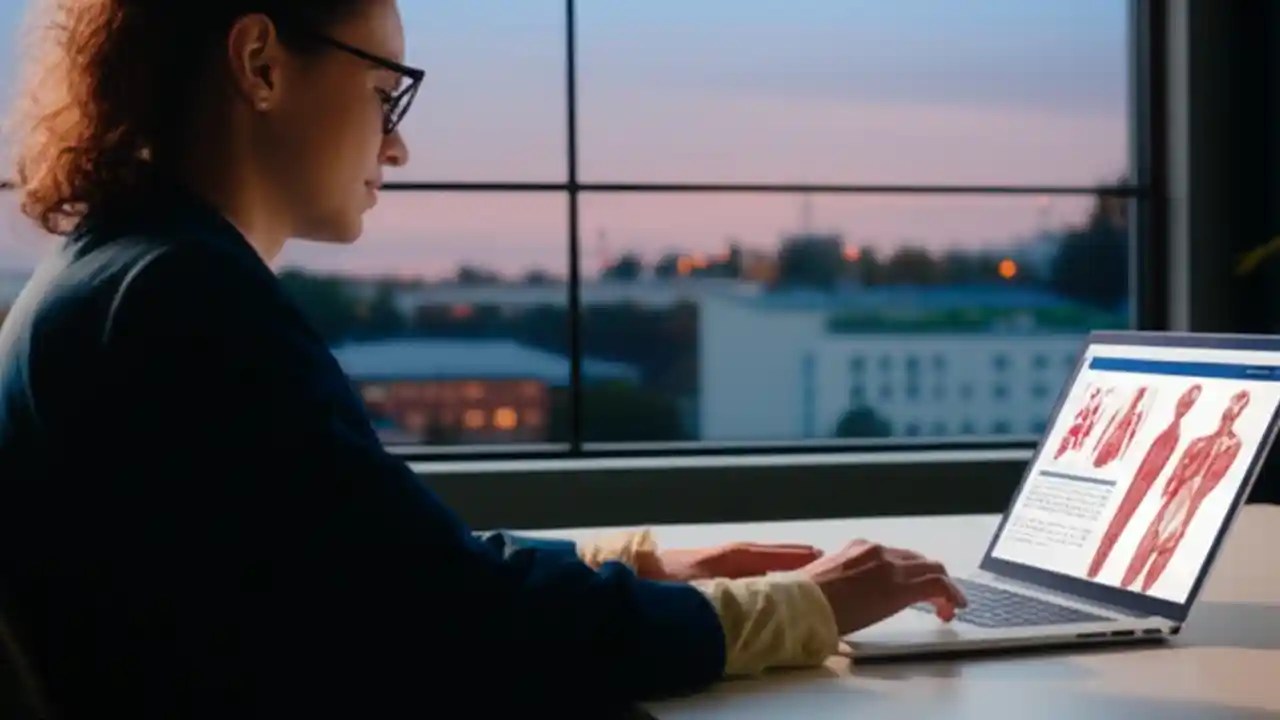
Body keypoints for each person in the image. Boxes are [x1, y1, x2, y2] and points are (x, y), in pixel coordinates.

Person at [0, 1, 966, 717]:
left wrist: (649, 565)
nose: (401, 144)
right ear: (260, 62)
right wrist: (798, 607)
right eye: (385, 94)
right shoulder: (184, 301)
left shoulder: (113, 275)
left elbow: (380, 567)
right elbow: (453, 621)